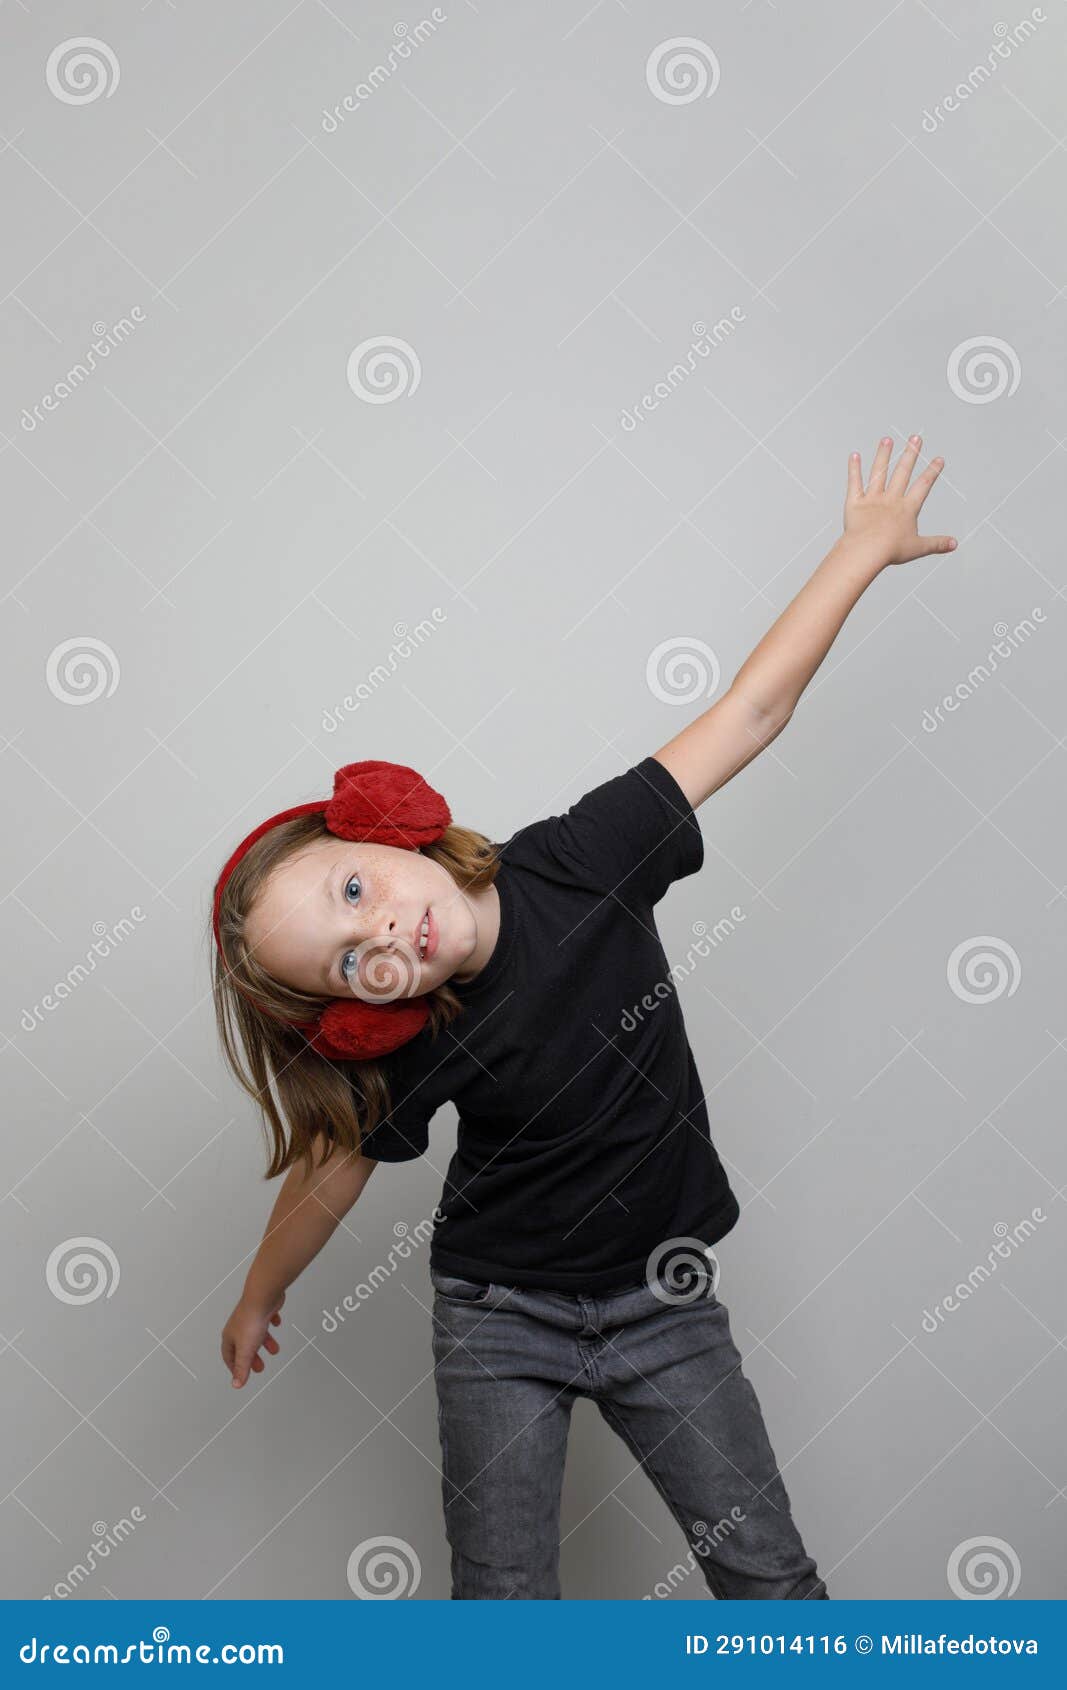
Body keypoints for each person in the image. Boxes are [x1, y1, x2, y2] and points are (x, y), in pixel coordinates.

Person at [216, 435, 956, 1599]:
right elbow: (328, 1171)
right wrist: (263, 1287)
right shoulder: (419, 1035)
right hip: (495, 1317)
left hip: (659, 1295)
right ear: (355, 1016)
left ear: (386, 822)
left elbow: (750, 711)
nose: (382, 943)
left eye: (354, 893)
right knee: (504, 1612)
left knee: (768, 1579)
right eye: (348, 966)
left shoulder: (584, 859)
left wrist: (858, 550)